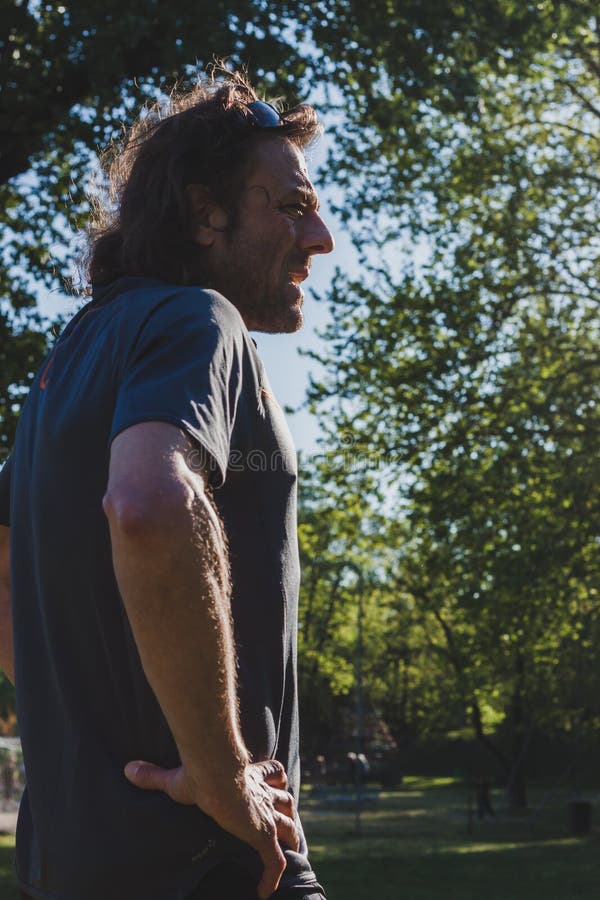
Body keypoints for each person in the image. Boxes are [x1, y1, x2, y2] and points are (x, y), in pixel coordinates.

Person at [0, 68, 334, 900]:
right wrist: (221, 778)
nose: (320, 237)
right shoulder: (200, 320)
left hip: (65, 868)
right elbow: (151, 504)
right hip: (219, 860)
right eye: (290, 207)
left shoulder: (68, 358)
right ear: (202, 212)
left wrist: (97, 729)